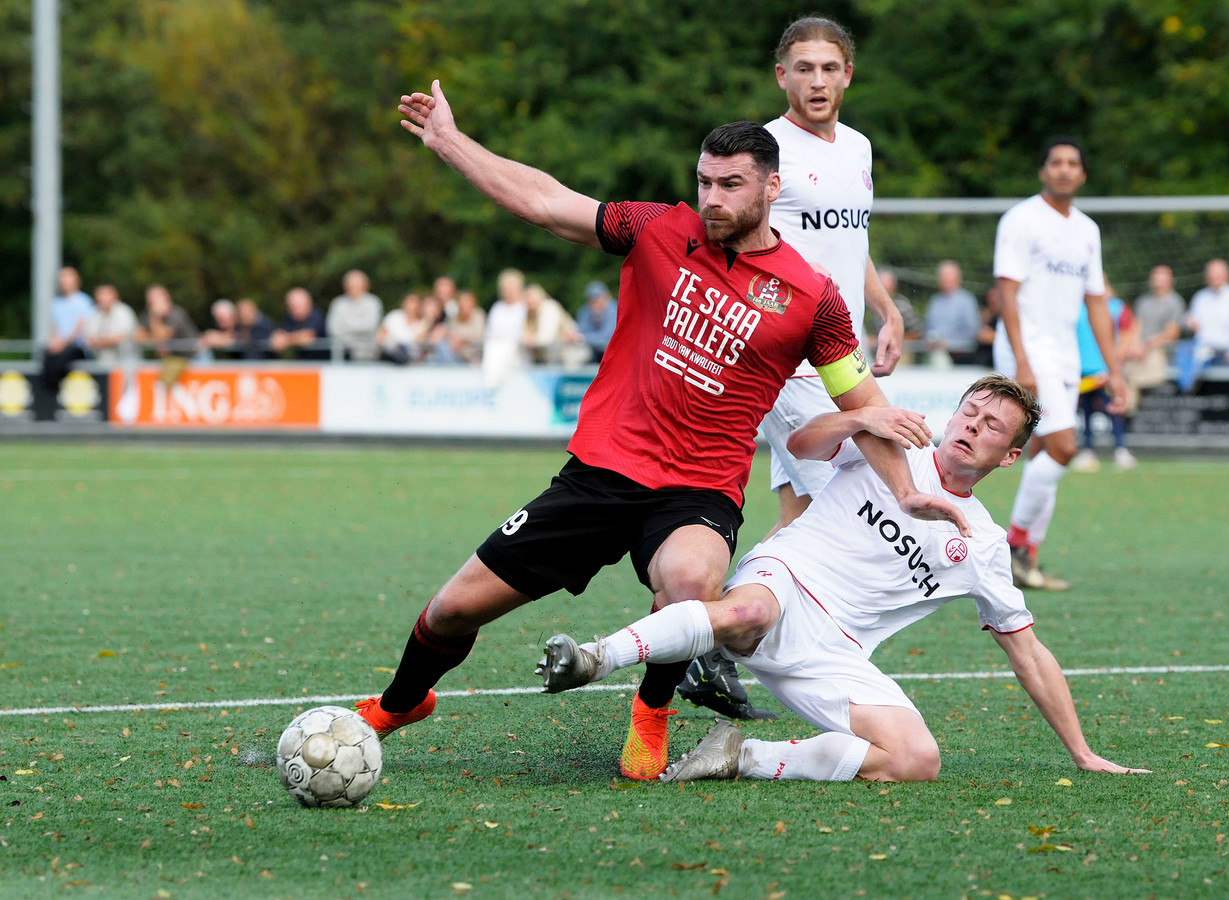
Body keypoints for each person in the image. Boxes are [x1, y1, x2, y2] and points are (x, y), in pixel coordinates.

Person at [353, 81, 968, 783]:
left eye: (730, 184)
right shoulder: (658, 229)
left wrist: (907, 491)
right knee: (452, 609)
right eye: (704, 181)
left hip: (697, 491)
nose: (711, 198)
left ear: (772, 187)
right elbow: (548, 202)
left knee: (688, 580)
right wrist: (450, 143)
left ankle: (651, 711)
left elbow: (864, 405)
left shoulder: (814, 299)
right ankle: (399, 705)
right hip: (599, 471)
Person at [537, 375, 1150, 783]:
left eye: (993, 427)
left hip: (835, 652)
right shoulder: (893, 448)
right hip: (785, 580)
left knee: (916, 760)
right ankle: (595, 656)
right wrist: (862, 417)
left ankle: (741, 754)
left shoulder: (984, 544)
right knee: (746, 613)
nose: (973, 425)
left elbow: (1029, 654)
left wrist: (1083, 753)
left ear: (1009, 456)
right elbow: (802, 443)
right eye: (971, 410)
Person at [681, 15, 908, 721]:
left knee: (803, 517)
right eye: (802, 68)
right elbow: (723, 236)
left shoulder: (859, 148)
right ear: (781, 75)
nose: (816, 80)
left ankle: (704, 633)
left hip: (837, 354)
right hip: (784, 358)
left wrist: (885, 312)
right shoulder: (764, 149)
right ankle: (754, 641)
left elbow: (852, 241)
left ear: (847, 74)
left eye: (828, 68)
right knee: (862, 495)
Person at [993, 137, 1125, 592]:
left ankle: (1024, 559)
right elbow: (1006, 293)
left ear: (1083, 174)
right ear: (1043, 171)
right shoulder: (1021, 219)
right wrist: (1021, 360)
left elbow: (1096, 306)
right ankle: (1009, 547)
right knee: (1064, 447)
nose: (1065, 170)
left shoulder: (1088, 231)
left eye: (1073, 164)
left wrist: (1117, 371)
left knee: (1041, 456)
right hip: (1028, 351)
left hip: (1066, 357)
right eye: (1056, 163)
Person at [1071, 280, 1139, 472]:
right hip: (1082, 370)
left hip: (1106, 371)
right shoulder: (1077, 308)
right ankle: (1088, 450)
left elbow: (1128, 333)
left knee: (1114, 411)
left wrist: (1116, 364)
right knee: (1085, 412)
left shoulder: (1116, 307)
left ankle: (1120, 449)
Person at [1123, 264, 1185, 402]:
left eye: (1163, 277)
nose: (1159, 281)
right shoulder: (1143, 301)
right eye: (1156, 276)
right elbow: (1136, 327)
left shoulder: (1174, 302)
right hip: (1139, 353)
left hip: (1162, 354)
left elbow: (1171, 333)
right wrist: (1134, 346)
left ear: (1171, 280)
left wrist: (1145, 346)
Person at [1185, 258, 1229, 370]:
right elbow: (1190, 321)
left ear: (1227, 275)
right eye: (1211, 273)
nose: (1214, 277)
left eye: (1218, 273)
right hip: (1203, 355)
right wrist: (1190, 323)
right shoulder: (1200, 297)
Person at [41, 266, 96, 390]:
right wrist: (55, 342)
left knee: (62, 360)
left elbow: (79, 328)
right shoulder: (56, 303)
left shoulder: (83, 301)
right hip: (62, 344)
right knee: (46, 356)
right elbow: (56, 328)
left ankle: (59, 390)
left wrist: (63, 343)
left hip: (77, 347)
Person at [136, 284, 199, 386]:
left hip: (193, 357)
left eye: (156, 297)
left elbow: (162, 336)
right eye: (151, 297)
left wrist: (155, 317)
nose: (153, 300)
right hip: (172, 359)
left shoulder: (176, 313)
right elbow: (138, 337)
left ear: (166, 297)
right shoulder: (147, 314)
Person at [925, 260, 982, 364]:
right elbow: (928, 327)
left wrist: (949, 342)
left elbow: (972, 330)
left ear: (958, 278)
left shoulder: (967, 301)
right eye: (943, 276)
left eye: (949, 276)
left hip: (960, 355)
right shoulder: (935, 301)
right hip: (934, 352)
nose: (945, 279)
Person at [865, 268, 923, 366]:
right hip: (880, 351)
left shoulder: (903, 306)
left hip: (902, 351)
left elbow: (918, 333)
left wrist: (898, 339)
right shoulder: (874, 309)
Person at [482, 268, 530, 386]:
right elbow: (490, 331)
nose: (509, 291)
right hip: (496, 348)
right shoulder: (497, 307)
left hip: (517, 351)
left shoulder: (525, 307)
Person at [327, 269, 384, 362]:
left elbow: (370, 326)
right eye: (351, 284)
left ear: (365, 285)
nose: (353, 287)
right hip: (342, 356)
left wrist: (347, 327)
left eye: (357, 284)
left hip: (368, 356)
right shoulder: (338, 304)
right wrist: (357, 331)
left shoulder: (373, 303)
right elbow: (333, 329)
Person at [523, 283, 585, 364]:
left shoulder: (549, 307)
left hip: (572, 352)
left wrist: (530, 340)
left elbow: (546, 338)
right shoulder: (528, 313)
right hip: (552, 354)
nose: (529, 301)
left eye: (531, 298)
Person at [82, 284, 139, 364]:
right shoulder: (94, 312)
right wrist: (107, 340)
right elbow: (88, 338)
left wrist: (100, 341)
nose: (104, 297)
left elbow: (122, 337)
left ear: (114, 296)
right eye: (101, 294)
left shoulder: (124, 312)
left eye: (107, 294)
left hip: (124, 360)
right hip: (99, 361)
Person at [269, 287, 326, 360]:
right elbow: (279, 333)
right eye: (292, 306)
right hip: (301, 364)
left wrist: (286, 340)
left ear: (308, 303)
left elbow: (308, 337)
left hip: (322, 364)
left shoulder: (317, 315)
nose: (295, 310)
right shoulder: (289, 318)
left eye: (298, 306)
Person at [377, 292, 428, 364]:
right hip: (390, 354)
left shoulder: (421, 323)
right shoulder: (394, 316)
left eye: (414, 303)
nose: (411, 306)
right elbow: (382, 334)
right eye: (409, 302)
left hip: (410, 357)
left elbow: (419, 341)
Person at [576, 280, 617, 362]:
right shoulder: (586, 310)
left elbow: (607, 337)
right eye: (592, 300)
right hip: (591, 351)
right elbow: (580, 331)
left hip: (612, 354)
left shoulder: (614, 309)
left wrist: (583, 338)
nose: (595, 302)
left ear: (607, 297)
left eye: (598, 298)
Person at [446, 289, 486, 364]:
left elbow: (478, 335)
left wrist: (461, 339)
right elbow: (452, 339)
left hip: (477, 355)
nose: (466, 305)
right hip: (458, 356)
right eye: (463, 302)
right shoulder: (454, 319)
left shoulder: (478, 315)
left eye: (468, 301)